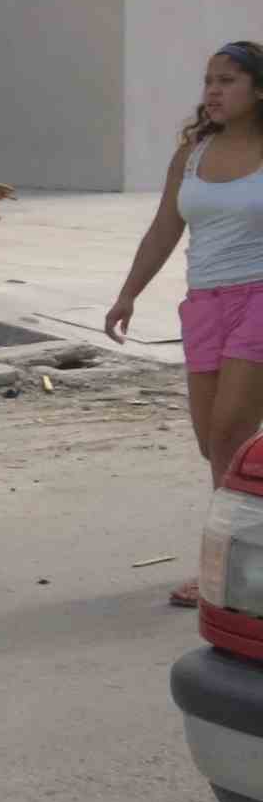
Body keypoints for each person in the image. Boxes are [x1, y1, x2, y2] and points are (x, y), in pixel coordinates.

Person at [106, 40, 263, 605]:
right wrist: (128, 293)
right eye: (209, 81)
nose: (213, 92)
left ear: (259, 90)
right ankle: (239, 555)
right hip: (205, 305)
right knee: (211, 443)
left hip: (262, 299)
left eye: (228, 81)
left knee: (232, 434)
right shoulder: (193, 153)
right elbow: (163, 230)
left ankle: (225, 570)